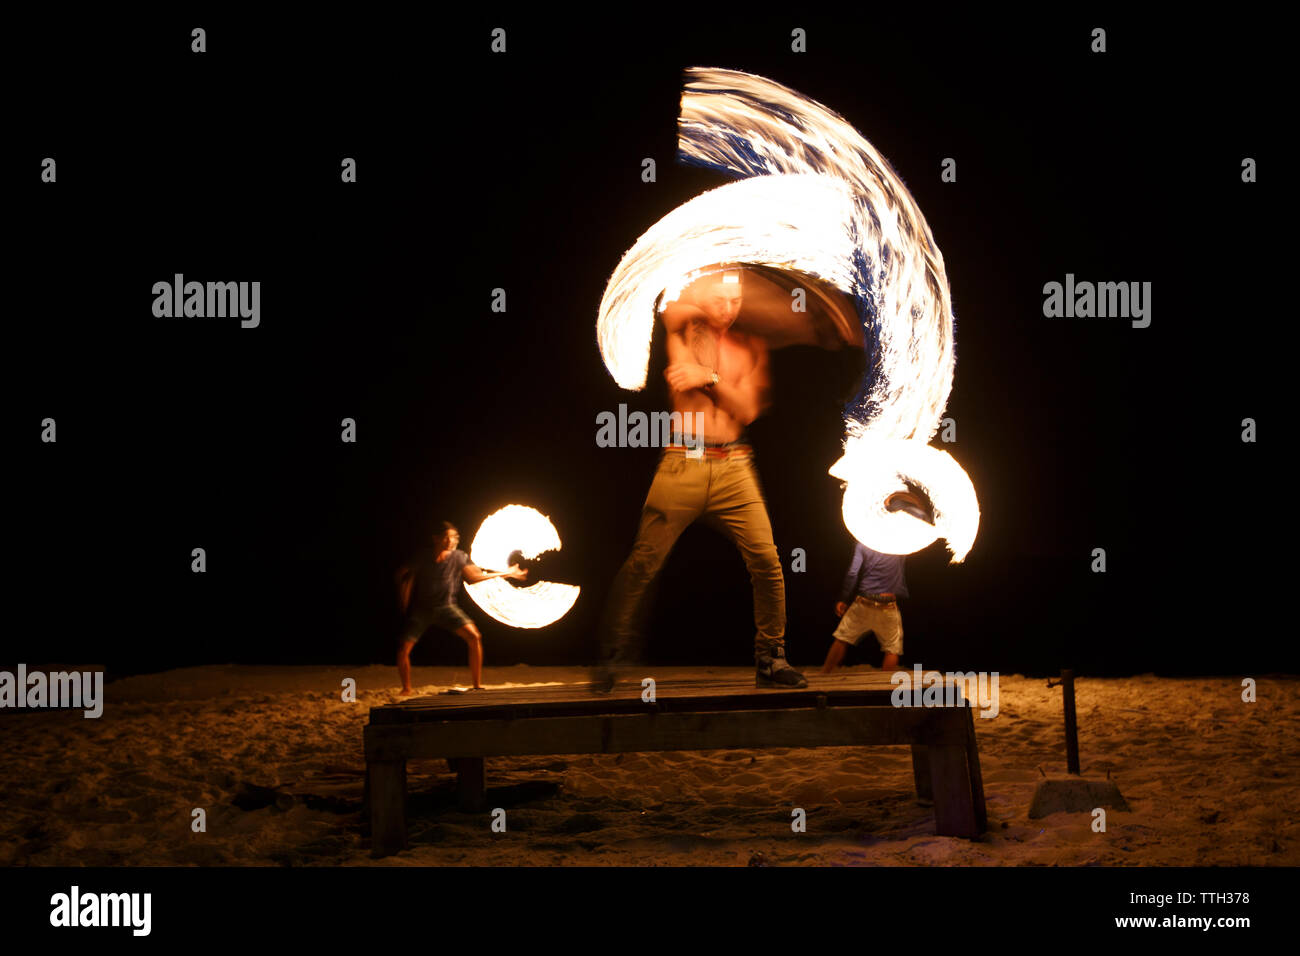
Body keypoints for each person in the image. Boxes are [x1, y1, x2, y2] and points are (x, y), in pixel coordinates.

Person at [594, 268, 806, 692]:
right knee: (643, 562)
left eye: (737, 301)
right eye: (721, 299)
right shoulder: (685, 327)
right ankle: (611, 657)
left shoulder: (752, 347)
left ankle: (771, 657)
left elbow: (744, 410)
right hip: (682, 463)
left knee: (767, 561)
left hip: (735, 468)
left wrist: (708, 378)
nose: (729, 309)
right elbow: (670, 302)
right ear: (701, 291)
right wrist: (707, 277)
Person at [395, 521, 526, 695]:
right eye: (447, 537)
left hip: (447, 608)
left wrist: (507, 573)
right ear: (436, 539)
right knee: (404, 649)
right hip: (422, 610)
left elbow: (474, 577)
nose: (451, 541)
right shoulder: (423, 557)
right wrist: (404, 597)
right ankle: (406, 688)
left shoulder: (459, 556)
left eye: (455, 537)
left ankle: (477, 685)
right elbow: (403, 574)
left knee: (474, 637)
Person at [822, 537, 909, 673]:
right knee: (892, 649)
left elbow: (853, 573)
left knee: (842, 638)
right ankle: (886, 688)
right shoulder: (900, 544)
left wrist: (844, 598)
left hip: (863, 603)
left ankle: (824, 674)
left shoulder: (863, 543)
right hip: (888, 606)